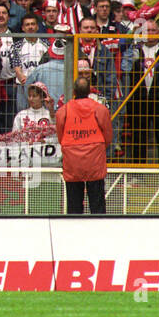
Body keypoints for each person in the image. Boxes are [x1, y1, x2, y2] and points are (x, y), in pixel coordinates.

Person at [56, 76, 112, 214]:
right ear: (89, 91)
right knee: (97, 203)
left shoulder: (64, 110)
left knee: (74, 204)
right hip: (94, 159)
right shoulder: (100, 109)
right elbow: (108, 136)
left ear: (74, 91)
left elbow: (60, 136)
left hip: (72, 160)